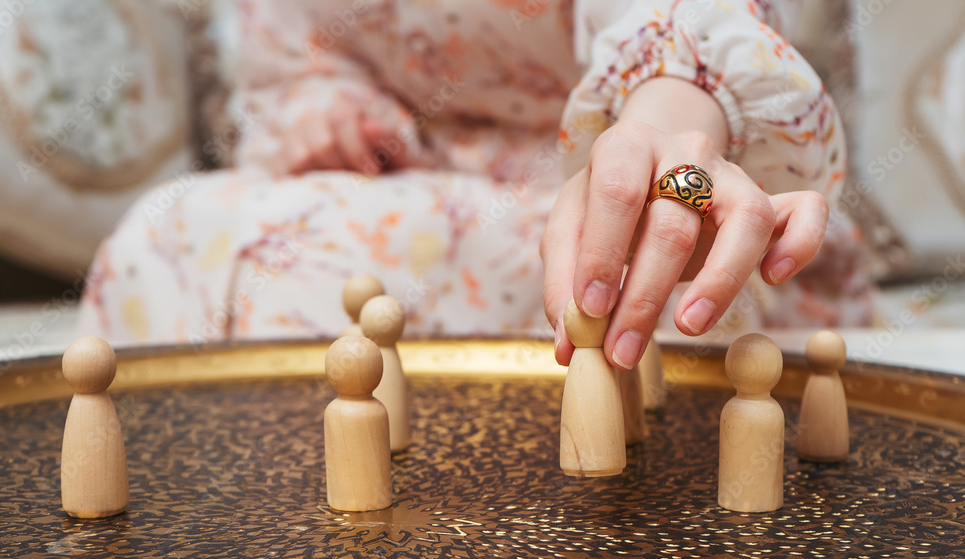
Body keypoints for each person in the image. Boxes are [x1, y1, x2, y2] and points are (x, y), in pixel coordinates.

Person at [77, 0, 874, 366]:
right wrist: (331, 118)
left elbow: (676, 27)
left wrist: (669, 134)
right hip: (402, 186)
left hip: (586, 180)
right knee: (173, 226)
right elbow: (291, 74)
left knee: (630, 260)